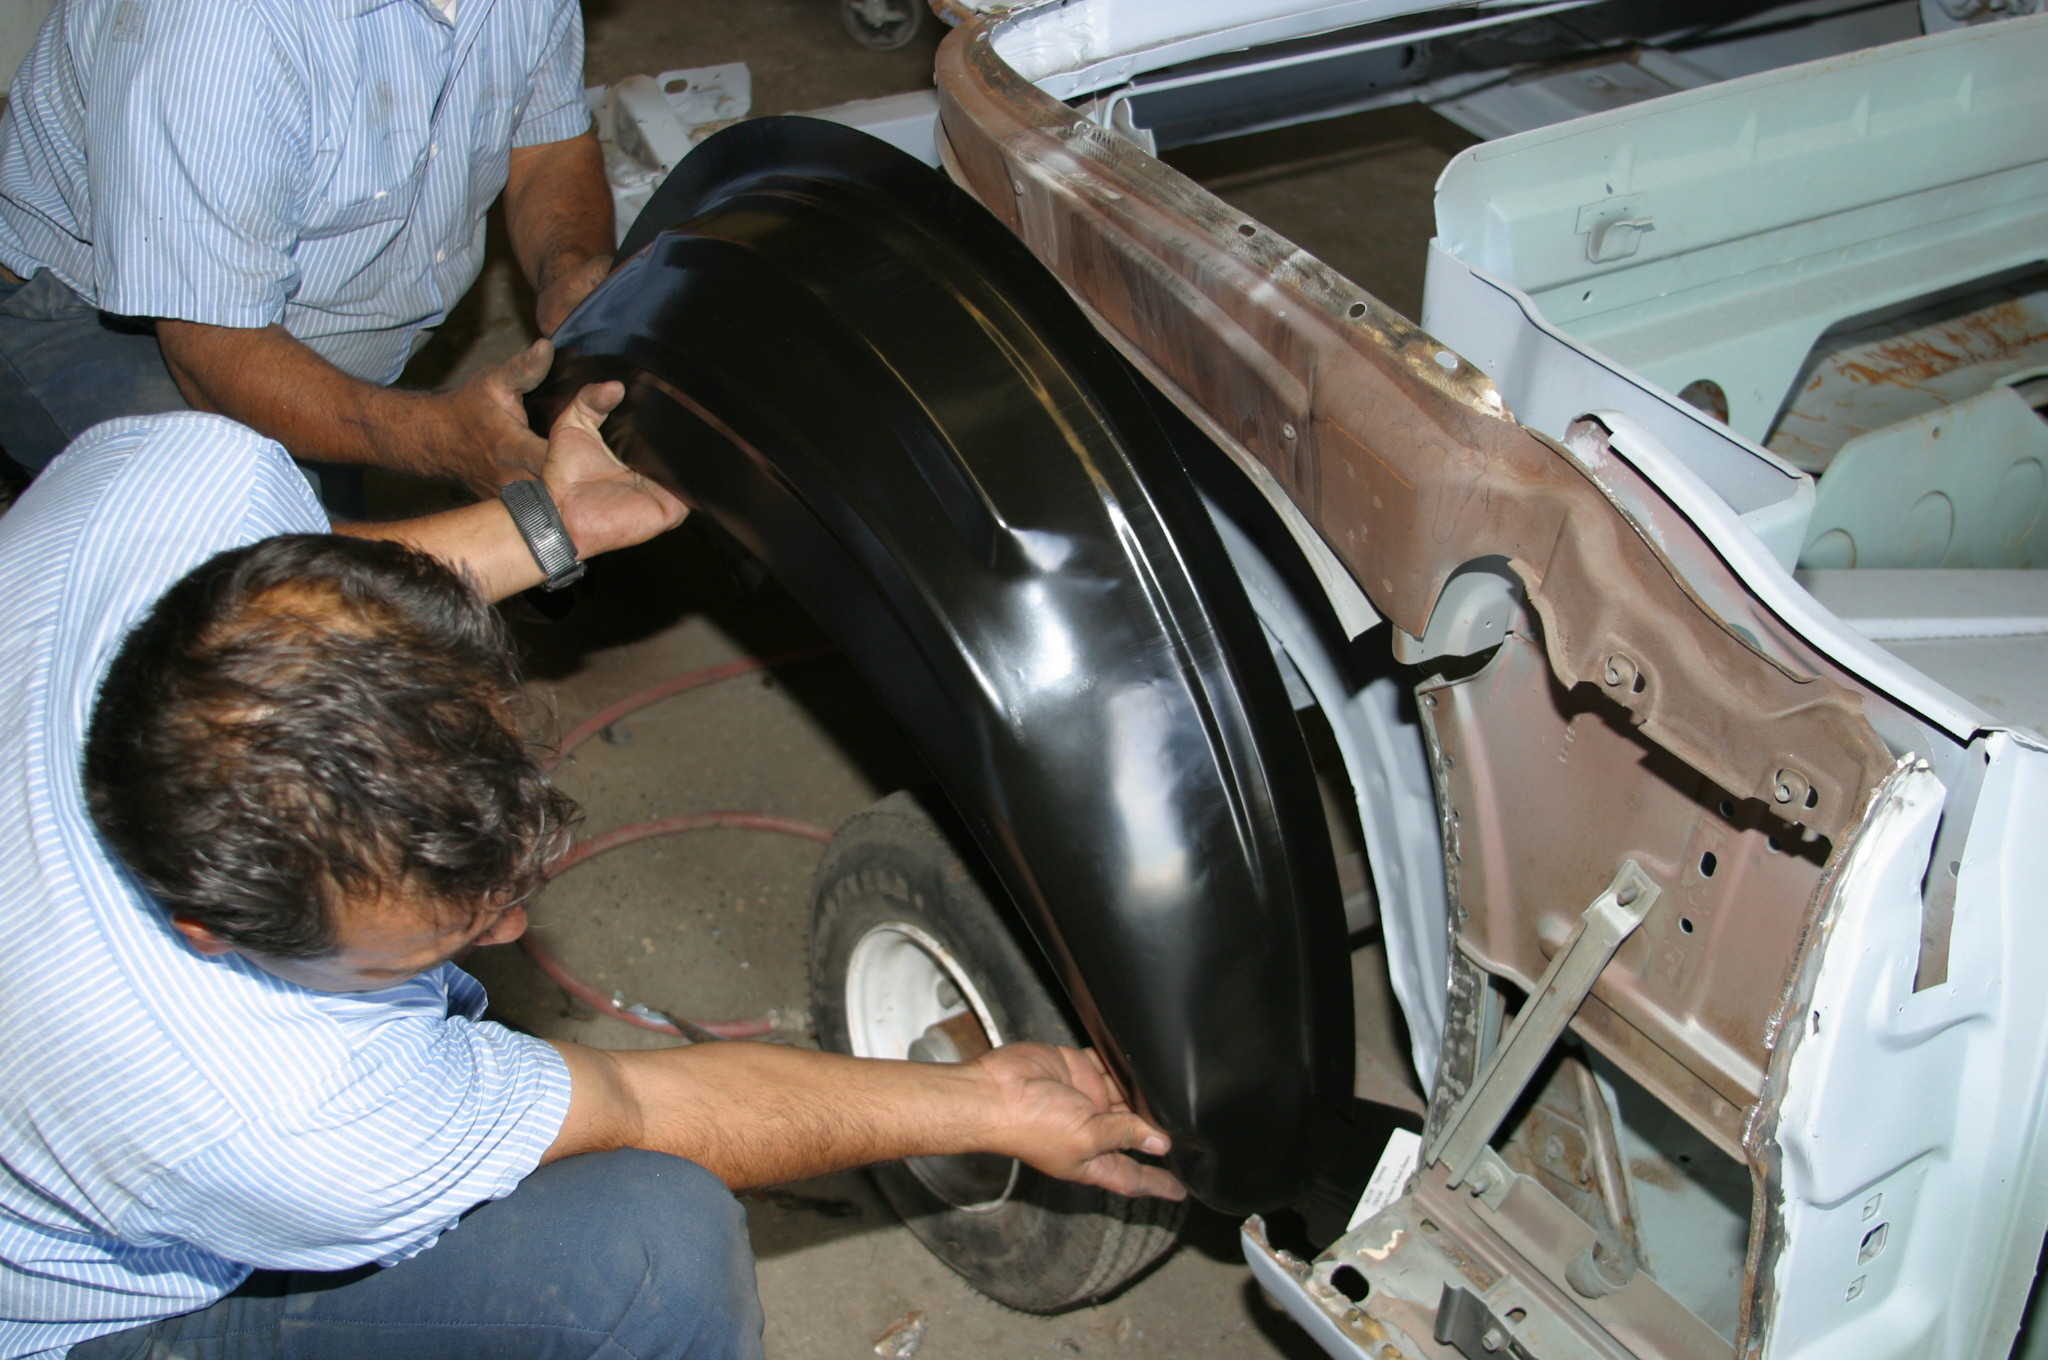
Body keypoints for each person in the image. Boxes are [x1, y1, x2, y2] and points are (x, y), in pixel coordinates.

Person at [0, 385, 1184, 1360]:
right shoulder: (283, 1115)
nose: (514, 934)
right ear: (210, 928)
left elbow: (315, 584)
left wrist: (545, 524)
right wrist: (987, 1105)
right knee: (645, 1257)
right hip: (82, 1307)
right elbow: (639, 1105)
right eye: (438, 941)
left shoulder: (167, 481)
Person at [0, 0, 615, 501]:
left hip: (282, 328)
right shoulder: (216, 28)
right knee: (291, 596)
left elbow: (549, 148)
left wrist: (569, 274)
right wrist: (438, 439)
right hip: (95, 316)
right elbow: (215, 348)